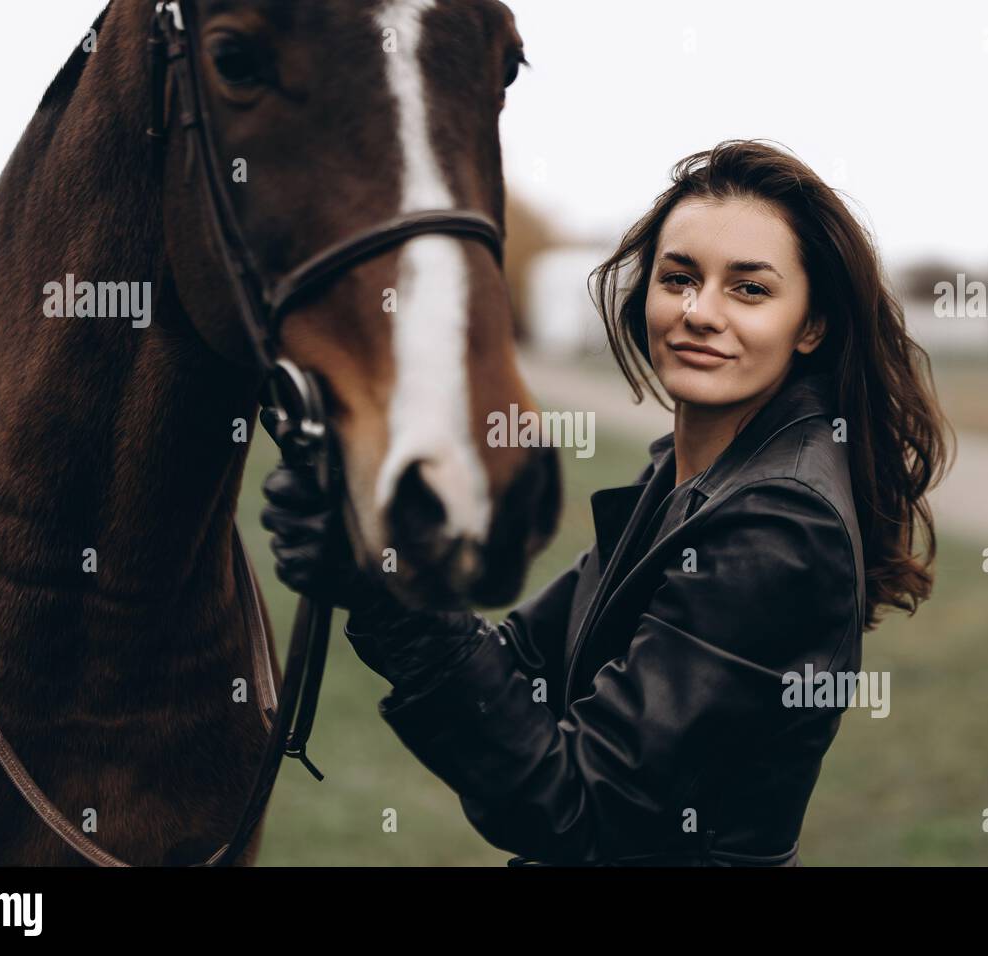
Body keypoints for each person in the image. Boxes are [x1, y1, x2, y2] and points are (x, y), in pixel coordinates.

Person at [261, 139, 951, 866]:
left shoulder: (780, 522)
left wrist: (391, 604)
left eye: (749, 289)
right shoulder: (689, 475)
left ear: (811, 324)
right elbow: (522, 669)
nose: (700, 312)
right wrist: (384, 557)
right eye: (679, 277)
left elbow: (581, 812)